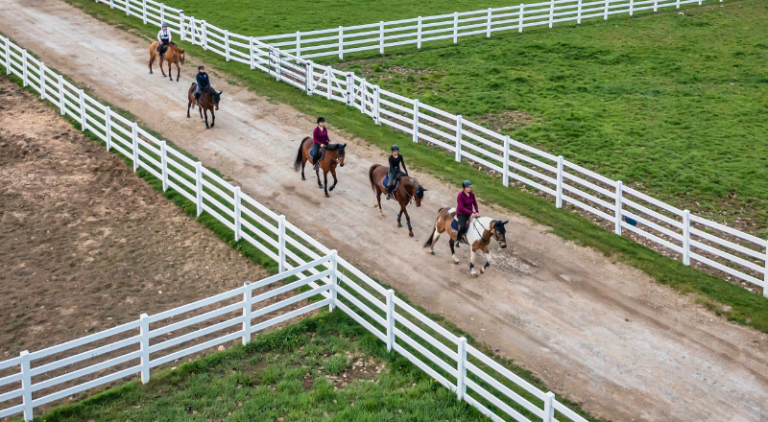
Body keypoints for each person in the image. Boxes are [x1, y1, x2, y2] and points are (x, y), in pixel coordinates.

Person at [455, 180, 479, 248]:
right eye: (468, 187)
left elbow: (475, 204)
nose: (469, 188)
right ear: (464, 188)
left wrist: (477, 211)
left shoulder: (472, 195)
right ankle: (457, 239)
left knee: (478, 222)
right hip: (461, 214)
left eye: (470, 187)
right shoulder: (460, 195)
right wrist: (471, 213)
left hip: (470, 213)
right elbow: (461, 207)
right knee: (462, 226)